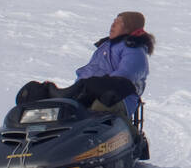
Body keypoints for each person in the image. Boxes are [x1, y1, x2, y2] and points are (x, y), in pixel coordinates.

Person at [16, 11, 155, 120]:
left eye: (118, 23)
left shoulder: (134, 49)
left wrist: (98, 85)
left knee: (95, 107)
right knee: (35, 93)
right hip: (87, 91)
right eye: (113, 22)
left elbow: (126, 75)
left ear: (129, 28)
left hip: (116, 97)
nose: (113, 25)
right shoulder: (105, 46)